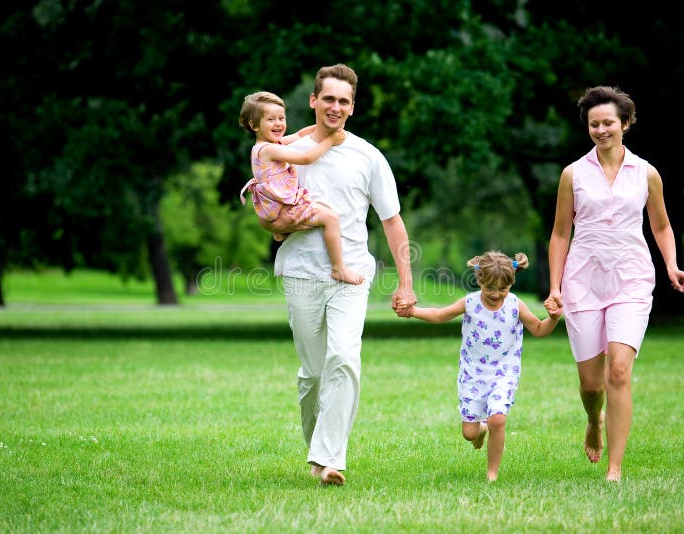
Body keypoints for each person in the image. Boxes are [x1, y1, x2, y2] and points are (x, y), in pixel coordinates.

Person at [260, 64, 417, 486]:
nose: (335, 106)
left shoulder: (369, 157)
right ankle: (318, 451)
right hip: (300, 273)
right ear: (313, 100)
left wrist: (405, 281)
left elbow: (393, 222)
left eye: (343, 100)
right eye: (328, 98)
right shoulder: (286, 150)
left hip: (353, 275)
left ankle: (330, 459)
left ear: (352, 106)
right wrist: (284, 225)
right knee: (313, 372)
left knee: (344, 359)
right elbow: (267, 213)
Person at [548, 85, 684, 482]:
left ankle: (615, 467)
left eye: (608, 122)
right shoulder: (572, 175)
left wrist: (672, 266)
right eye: (594, 124)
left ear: (625, 124)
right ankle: (593, 420)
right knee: (592, 385)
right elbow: (560, 234)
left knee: (620, 371)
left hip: (631, 278)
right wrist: (556, 287)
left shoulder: (647, 173)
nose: (601, 130)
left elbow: (660, 225)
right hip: (583, 282)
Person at [399, 251, 562, 481]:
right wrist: (412, 312)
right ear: (479, 281)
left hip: (504, 373)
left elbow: (538, 329)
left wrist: (553, 319)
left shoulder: (515, 305)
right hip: (472, 375)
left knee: (498, 418)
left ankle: (492, 474)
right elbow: (439, 315)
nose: (496, 294)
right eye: (490, 288)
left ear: (511, 284)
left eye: (502, 289)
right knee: (469, 433)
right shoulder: (470, 303)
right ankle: (481, 429)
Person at [239, 91, 364, 285]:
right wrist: (330, 141)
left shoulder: (272, 144)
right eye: (271, 119)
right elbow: (306, 158)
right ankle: (339, 268)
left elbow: (298, 135)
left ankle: (284, 230)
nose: (278, 123)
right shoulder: (268, 149)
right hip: (285, 208)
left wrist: (324, 127)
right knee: (330, 218)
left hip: (278, 206)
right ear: (254, 125)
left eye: (281, 118)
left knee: (320, 215)